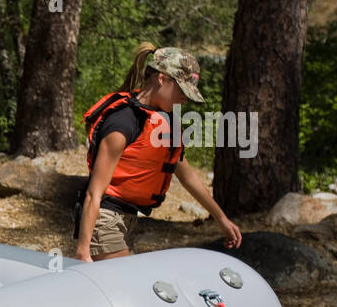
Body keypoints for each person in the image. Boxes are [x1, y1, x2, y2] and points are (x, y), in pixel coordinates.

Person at [75, 43, 242, 261]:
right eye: (182, 90)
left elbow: (186, 174)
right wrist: (83, 249)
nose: (185, 98)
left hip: (127, 221)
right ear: (162, 79)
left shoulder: (165, 122)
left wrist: (221, 218)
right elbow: (93, 192)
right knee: (132, 287)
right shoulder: (123, 121)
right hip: (103, 221)